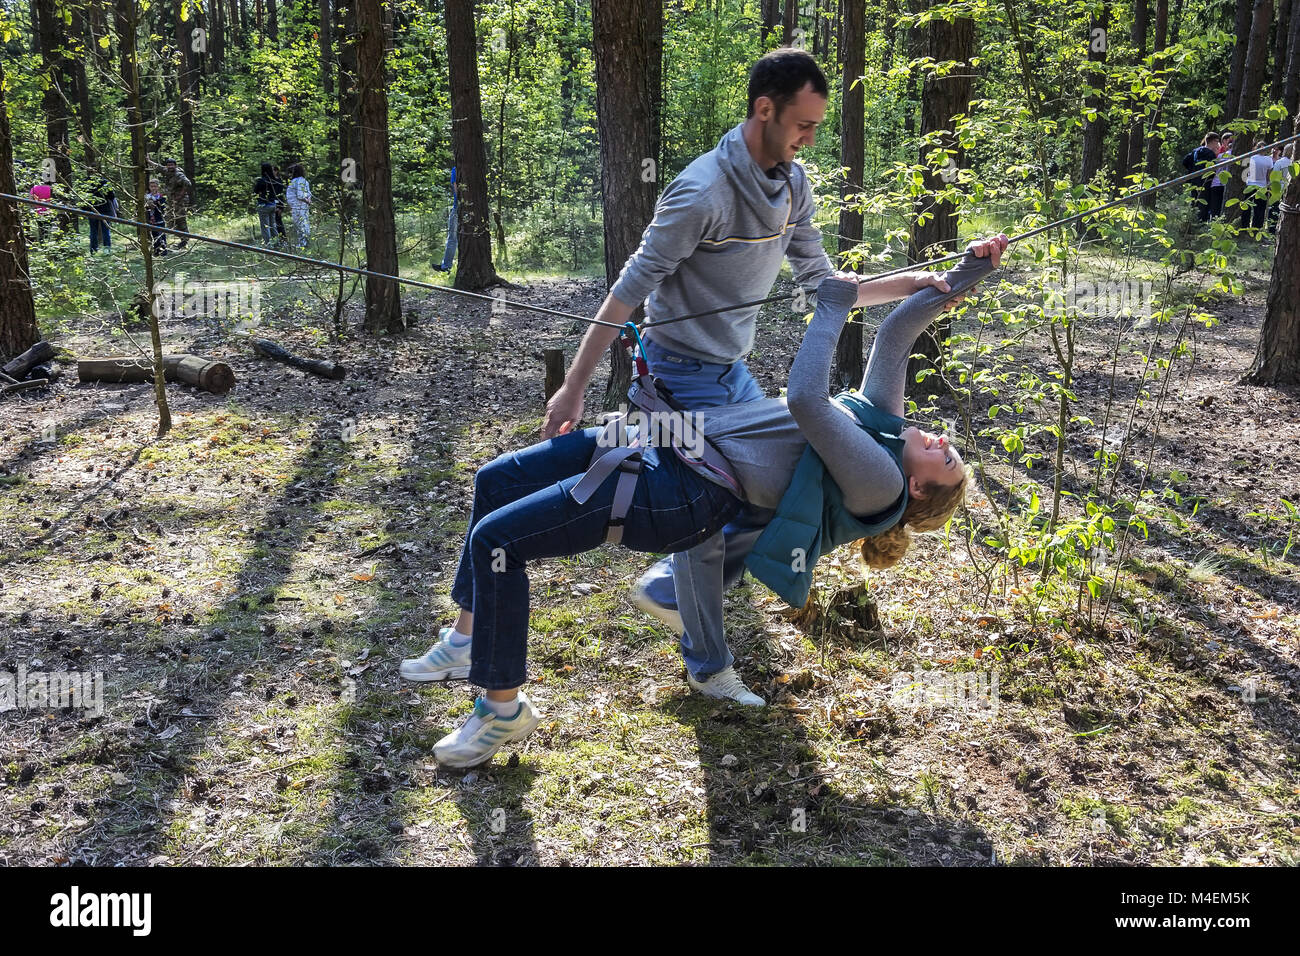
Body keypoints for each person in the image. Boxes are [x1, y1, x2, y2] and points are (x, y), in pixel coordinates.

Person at [447, 48, 957, 708]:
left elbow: (822, 285)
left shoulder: (794, 185)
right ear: (764, 110)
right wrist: (573, 385)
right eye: (802, 125)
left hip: (730, 374)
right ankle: (692, 645)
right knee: (703, 509)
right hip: (680, 375)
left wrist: (916, 282)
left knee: (730, 504)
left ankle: (698, 645)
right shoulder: (701, 191)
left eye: (816, 128)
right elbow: (626, 292)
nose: (808, 140)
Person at [416, 236, 1006, 769]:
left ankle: (500, 708)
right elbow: (898, 331)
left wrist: (832, 307)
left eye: (945, 459)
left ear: (921, 489)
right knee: (494, 480)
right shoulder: (884, 424)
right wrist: (969, 272)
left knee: (499, 539)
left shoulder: (880, 482)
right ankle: (470, 635)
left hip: (689, 492)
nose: (943, 440)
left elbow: (807, 400)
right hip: (671, 440)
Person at [148, 157, 192, 249]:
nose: (170, 167)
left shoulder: (178, 174)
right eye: (168, 165)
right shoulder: (167, 171)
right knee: (170, 219)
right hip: (172, 200)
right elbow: (158, 167)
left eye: (172, 165)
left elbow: (188, 183)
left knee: (180, 219)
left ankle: (184, 241)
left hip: (180, 201)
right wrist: (148, 161)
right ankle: (179, 238)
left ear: (175, 165)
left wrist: (180, 196)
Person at [1183, 132, 1221, 223]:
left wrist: (1192, 169)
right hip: (1205, 181)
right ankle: (1201, 223)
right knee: (1204, 202)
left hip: (1194, 181)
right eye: (1217, 141)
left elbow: (1185, 161)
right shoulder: (1210, 154)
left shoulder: (1195, 151)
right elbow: (1214, 169)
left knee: (1194, 200)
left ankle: (1192, 221)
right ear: (1212, 141)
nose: (1217, 144)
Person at [1240, 138, 1272, 234]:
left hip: (1250, 184)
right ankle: (1256, 229)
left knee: (1247, 208)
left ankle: (1244, 227)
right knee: (1260, 209)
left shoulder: (1252, 157)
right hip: (1262, 186)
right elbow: (1268, 175)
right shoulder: (1269, 160)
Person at [284, 163, 313, 249]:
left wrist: (307, 201)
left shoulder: (298, 180)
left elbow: (300, 195)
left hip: (299, 206)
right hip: (300, 206)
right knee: (303, 224)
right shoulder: (301, 181)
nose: (290, 175)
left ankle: (303, 244)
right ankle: (304, 243)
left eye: (291, 172)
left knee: (301, 225)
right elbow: (307, 194)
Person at [435, 166, 458, 272]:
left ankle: (446, 266)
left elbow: (455, 187)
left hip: (457, 208)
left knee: (452, 239)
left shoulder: (455, 169)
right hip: (469, 208)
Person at [87, 176, 117, 254]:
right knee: (105, 231)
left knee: (93, 231)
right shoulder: (105, 182)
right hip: (105, 210)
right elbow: (111, 196)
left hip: (92, 210)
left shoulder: (86, 182)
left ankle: (93, 250)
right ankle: (106, 250)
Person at [1268, 143, 1294, 235]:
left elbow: (1274, 176)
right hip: (1289, 189)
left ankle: (1271, 229)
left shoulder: (1280, 162)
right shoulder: (1294, 163)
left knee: (1274, 209)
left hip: (1278, 188)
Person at [254, 163, 281, 246]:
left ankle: (269, 246)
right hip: (273, 204)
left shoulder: (261, 180)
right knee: (273, 225)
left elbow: (255, 192)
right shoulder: (274, 180)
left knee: (265, 227)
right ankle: (277, 243)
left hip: (263, 205)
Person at [145, 179, 168, 256]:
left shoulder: (161, 197)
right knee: (154, 235)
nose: (153, 188)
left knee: (161, 235)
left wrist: (155, 203)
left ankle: (164, 250)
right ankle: (156, 251)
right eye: (152, 186)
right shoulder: (147, 197)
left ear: (158, 187)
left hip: (160, 219)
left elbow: (162, 206)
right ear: (149, 187)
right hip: (151, 220)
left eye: (155, 186)